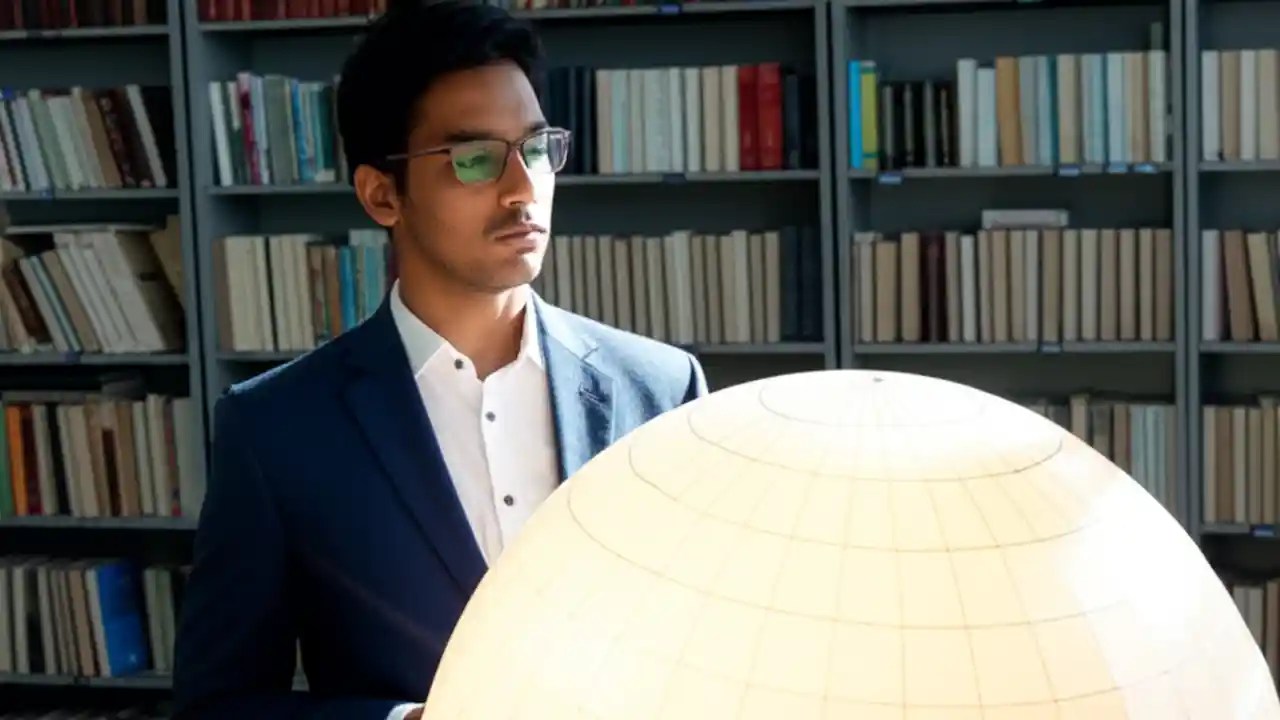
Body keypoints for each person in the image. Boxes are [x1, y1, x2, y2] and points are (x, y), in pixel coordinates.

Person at [169, 1, 709, 718]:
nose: (524, 190)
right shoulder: (274, 428)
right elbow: (217, 705)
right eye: (475, 159)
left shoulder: (663, 389)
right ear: (382, 194)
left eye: (538, 147)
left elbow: (714, 641)